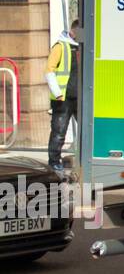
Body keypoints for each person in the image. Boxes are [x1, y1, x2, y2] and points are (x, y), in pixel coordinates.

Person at [45, 19, 80, 175]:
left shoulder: (83, 47)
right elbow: (49, 70)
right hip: (63, 98)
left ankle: (81, 158)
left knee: (89, 130)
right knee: (59, 131)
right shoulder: (60, 46)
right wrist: (57, 92)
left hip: (80, 96)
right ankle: (54, 162)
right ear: (74, 31)